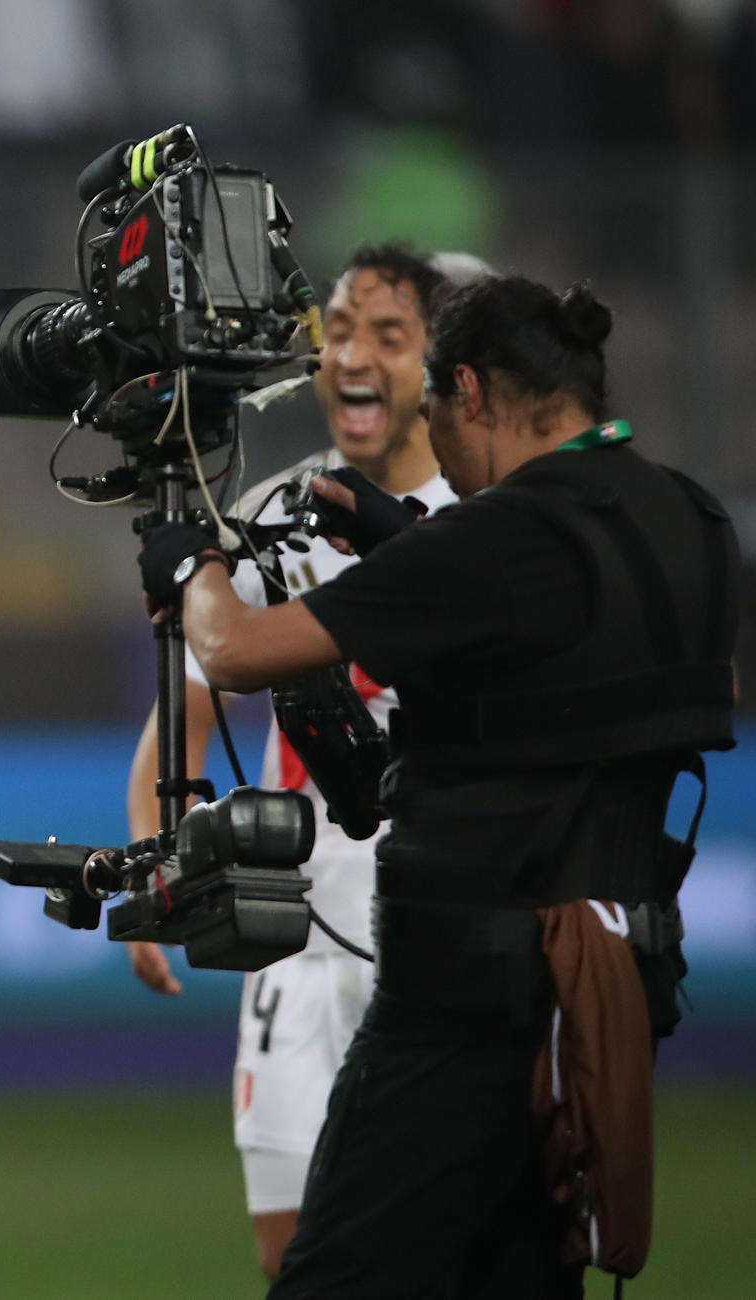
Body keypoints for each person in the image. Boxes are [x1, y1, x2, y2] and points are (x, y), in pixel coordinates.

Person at [139, 275, 737, 1297]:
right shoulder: (694, 518)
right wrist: (413, 549)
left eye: (435, 415)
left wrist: (189, 557)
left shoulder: (496, 537)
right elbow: (556, 657)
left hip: (464, 1000)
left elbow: (233, 651)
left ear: (467, 389)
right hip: (609, 988)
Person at [122, 244, 471, 1280]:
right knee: (298, 1266)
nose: (352, 355)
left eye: (389, 336)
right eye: (339, 330)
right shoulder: (270, 514)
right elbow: (181, 718)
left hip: (436, 937)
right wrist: (154, 857)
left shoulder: (484, 520)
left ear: (439, 367)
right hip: (297, 948)